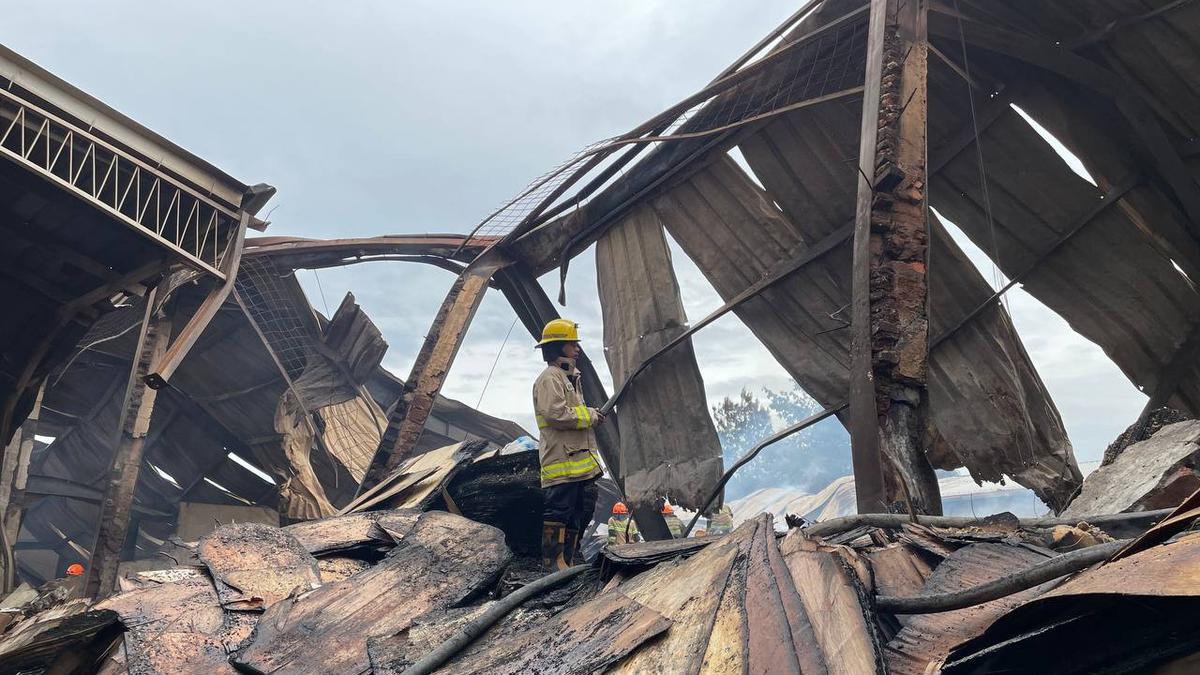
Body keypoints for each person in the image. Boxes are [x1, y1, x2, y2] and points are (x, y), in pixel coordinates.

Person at [533, 318, 606, 570]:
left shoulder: (568, 378)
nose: (576, 348)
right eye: (571, 343)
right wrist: (590, 416)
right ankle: (552, 564)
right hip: (560, 461)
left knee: (575, 511)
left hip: (573, 461)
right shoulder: (550, 378)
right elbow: (556, 414)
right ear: (558, 347)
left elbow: (571, 411)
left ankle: (569, 559)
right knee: (558, 511)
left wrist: (590, 413)